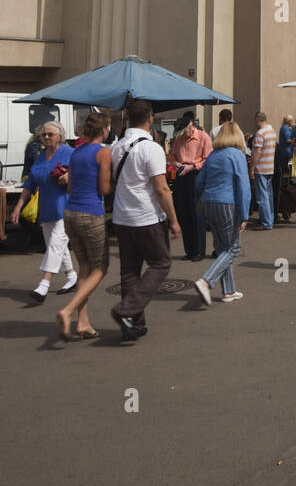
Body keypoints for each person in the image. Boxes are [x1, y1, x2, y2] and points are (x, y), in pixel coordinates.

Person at [110, 98, 181, 342]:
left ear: (128, 118)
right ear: (150, 118)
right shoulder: (151, 148)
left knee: (130, 271)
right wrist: (173, 220)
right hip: (146, 216)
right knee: (161, 264)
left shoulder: (117, 147)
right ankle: (126, 311)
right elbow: (161, 189)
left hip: (122, 215)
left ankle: (133, 323)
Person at [56, 109, 113, 340]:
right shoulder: (103, 152)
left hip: (70, 212)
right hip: (91, 212)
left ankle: (83, 322)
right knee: (101, 267)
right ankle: (68, 310)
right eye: (108, 126)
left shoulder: (76, 152)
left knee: (85, 267)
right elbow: (104, 189)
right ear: (103, 129)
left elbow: (70, 186)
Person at [10, 121, 77, 303]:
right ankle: (71, 276)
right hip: (46, 208)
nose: (46, 137)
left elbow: (84, 174)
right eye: (44, 135)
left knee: (56, 244)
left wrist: (69, 177)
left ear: (60, 136)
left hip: (66, 207)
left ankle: (44, 284)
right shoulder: (40, 156)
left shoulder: (70, 153)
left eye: (50, 134)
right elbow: (30, 183)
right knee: (55, 246)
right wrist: (18, 207)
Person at [193, 121, 251, 305]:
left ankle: (229, 290)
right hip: (228, 203)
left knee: (222, 249)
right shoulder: (237, 155)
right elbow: (243, 187)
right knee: (232, 249)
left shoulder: (213, 155)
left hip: (209, 202)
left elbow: (198, 182)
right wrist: (244, 214)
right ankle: (206, 281)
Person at [169, 117, 212, 259]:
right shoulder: (179, 139)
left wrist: (193, 166)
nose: (183, 134)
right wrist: (177, 164)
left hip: (196, 175)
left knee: (197, 213)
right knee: (184, 213)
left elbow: (208, 158)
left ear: (191, 126)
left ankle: (199, 251)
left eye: (184, 131)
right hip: (182, 174)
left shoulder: (203, 137)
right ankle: (189, 250)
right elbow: (172, 156)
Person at [249, 111, 277, 230]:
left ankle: (266, 222)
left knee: (261, 197)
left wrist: (252, 168)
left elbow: (257, 152)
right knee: (269, 195)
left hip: (261, 168)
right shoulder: (271, 131)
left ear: (257, 120)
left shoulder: (260, 133)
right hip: (270, 166)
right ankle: (269, 219)